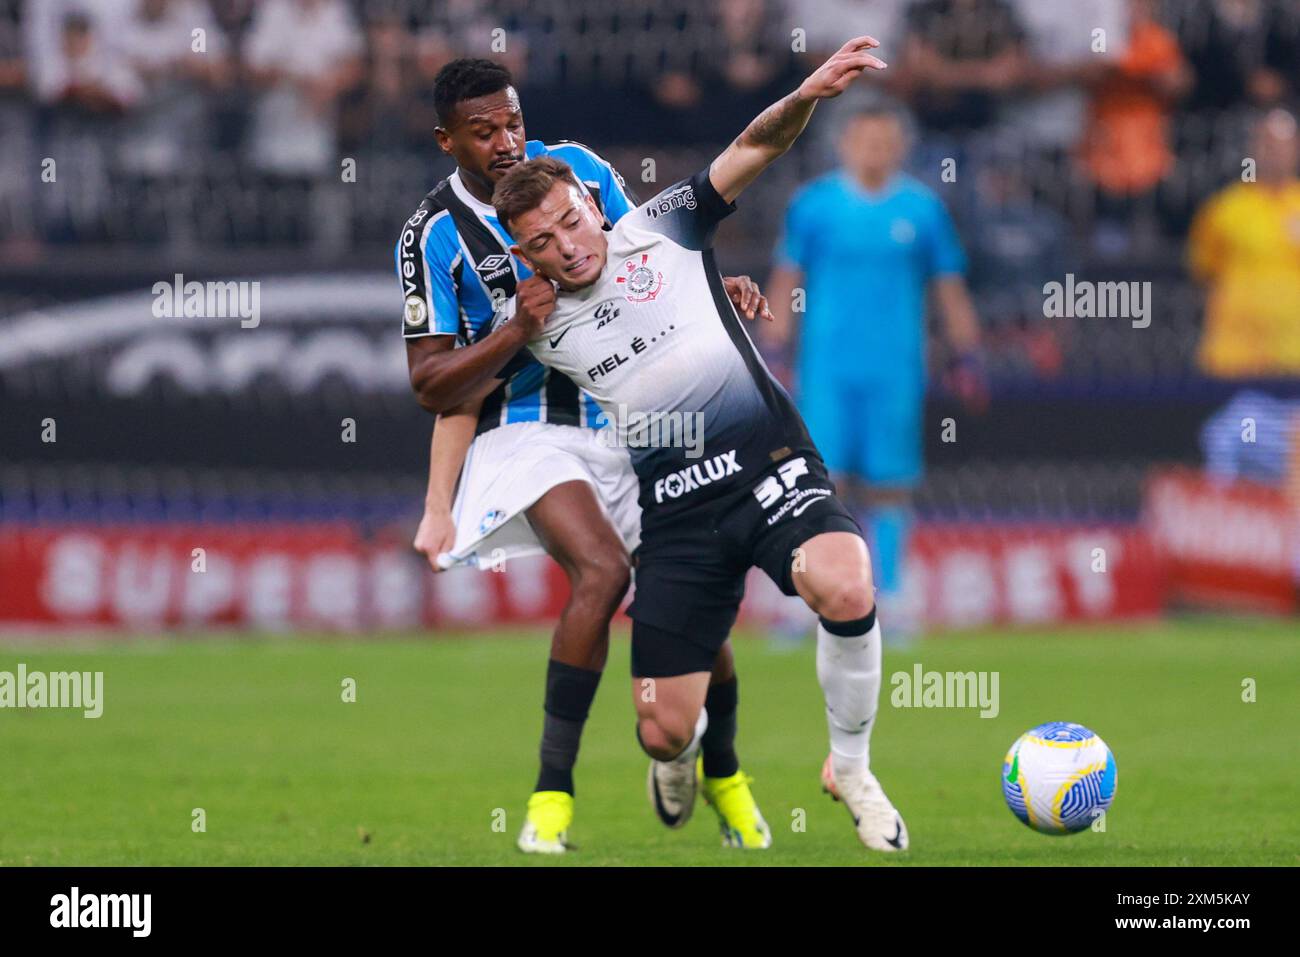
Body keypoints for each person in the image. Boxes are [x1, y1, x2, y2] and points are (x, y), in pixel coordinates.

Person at [487, 36, 910, 852]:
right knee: (660, 730)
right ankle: (681, 758)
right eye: (543, 242)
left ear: (588, 200)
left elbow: (754, 146)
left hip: (769, 469)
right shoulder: (536, 329)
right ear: (522, 253)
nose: (568, 246)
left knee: (846, 583)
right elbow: (448, 388)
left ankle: (850, 766)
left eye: (572, 222)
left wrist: (810, 91)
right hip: (675, 517)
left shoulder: (663, 228)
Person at [398, 59, 772, 853]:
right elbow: (433, 385)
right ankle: (551, 799)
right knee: (602, 572)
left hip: (629, 413)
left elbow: (650, 265)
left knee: (693, 607)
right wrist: (509, 335)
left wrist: (718, 292)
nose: (505, 142)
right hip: (528, 427)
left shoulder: (582, 171)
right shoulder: (431, 234)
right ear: (446, 141)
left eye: (513, 123)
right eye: (483, 131)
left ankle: (722, 770)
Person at [765, 104, 982, 638]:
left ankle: (895, 596)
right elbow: (787, 276)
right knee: (821, 482)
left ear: (900, 147)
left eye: (885, 142)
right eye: (866, 141)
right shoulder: (814, 206)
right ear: (846, 145)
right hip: (826, 367)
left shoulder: (923, 209)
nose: (875, 151)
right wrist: (773, 349)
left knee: (890, 485)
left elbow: (948, 285)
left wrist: (967, 351)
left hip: (896, 369)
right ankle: (809, 595)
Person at [1189, 108, 1300, 379]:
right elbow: (1203, 272)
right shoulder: (1226, 208)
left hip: (1294, 357)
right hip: (1235, 357)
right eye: (1267, 144)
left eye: (1283, 146)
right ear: (1253, 148)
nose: (1275, 153)